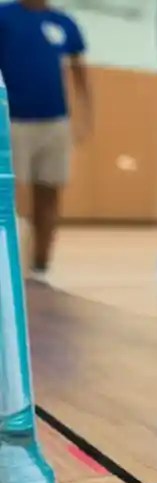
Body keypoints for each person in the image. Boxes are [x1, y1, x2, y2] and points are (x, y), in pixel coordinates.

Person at [0, 0, 91, 283]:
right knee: (12, 197)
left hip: (55, 123)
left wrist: (85, 116)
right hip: (12, 121)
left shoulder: (65, 22)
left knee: (49, 194)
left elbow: (79, 72)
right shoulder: (4, 16)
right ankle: (9, 266)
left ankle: (40, 269)